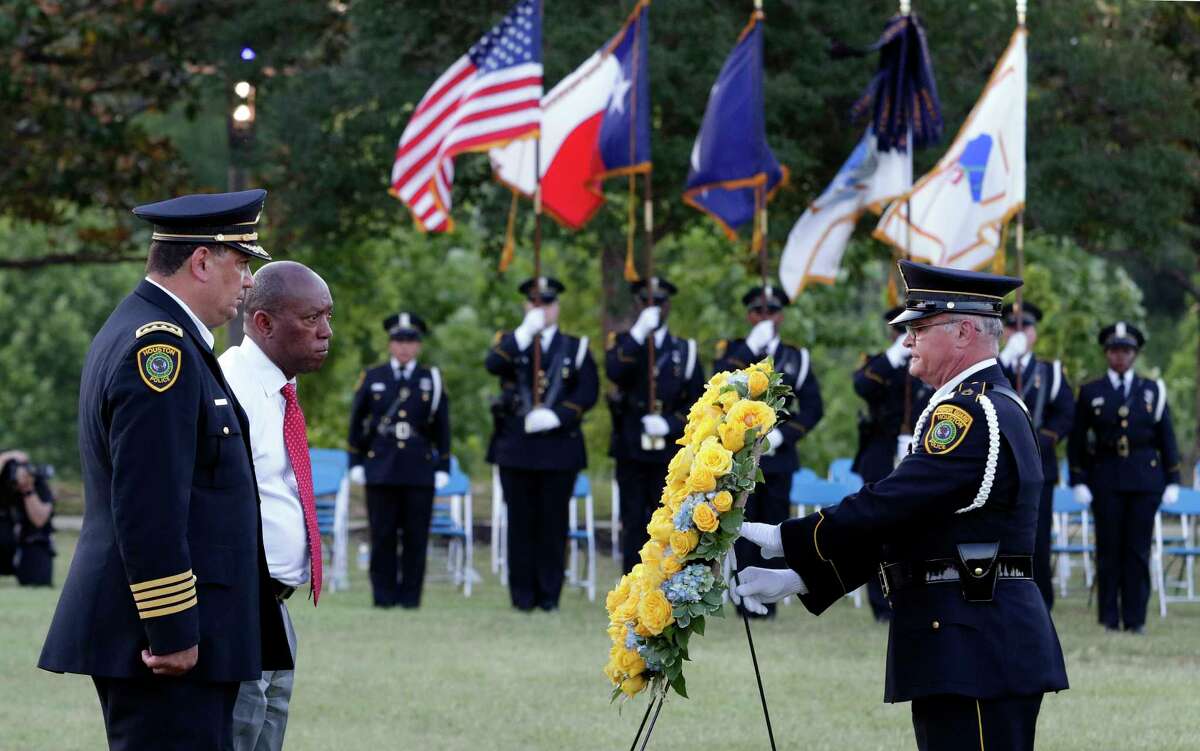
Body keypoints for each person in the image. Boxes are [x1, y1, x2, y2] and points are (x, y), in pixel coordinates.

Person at [735, 261, 1068, 751]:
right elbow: (919, 525)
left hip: (973, 640)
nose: (907, 340)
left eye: (918, 327)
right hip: (969, 637)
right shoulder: (987, 403)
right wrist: (806, 575)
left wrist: (792, 538)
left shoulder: (971, 411)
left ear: (964, 333)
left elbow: (895, 502)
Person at [38, 190, 291, 751]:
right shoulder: (160, 351)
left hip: (185, 637)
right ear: (201, 261)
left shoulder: (159, 334)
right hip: (166, 648)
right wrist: (173, 628)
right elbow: (149, 506)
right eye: (241, 262)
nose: (249, 281)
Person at [218, 261, 333, 750]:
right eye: (311, 319)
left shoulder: (280, 387)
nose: (326, 332)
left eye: (328, 316)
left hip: (273, 607)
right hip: (235, 605)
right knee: (236, 734)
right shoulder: (230, 387)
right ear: (263, 322)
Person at [485, 276, 598, 611]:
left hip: (558, 450)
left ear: (557, 307)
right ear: (527, 306)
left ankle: (549, 597)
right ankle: (521, 598)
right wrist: (524, 331)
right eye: (535, 303)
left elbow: (587, 391)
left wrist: (559, 416)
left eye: (547, 303)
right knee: (519, 524)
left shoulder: (574, 347)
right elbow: (493, 365)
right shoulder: (511, 342)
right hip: (516, 449)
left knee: (552, 525)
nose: (542, 309)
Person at [715, 284, 823, 617]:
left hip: (778, 459)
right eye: (759, 311)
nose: (767, 317)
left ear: (781, 316)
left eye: (773, 311)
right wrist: (750, 347)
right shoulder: (734, 351)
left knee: (775, 527)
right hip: (739, 459)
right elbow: (717, 391)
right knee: (740, 526)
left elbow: (813, 408)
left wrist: (783, 436)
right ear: (750, 316)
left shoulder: (795, 356)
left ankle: (768, 600)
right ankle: (740, 597)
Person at [1067, 321, 1179, 634]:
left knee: (1137, 551)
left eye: (1126, 350)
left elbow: (1166, 436)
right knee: (1108, 550)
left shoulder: (1152, 390)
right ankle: (1109, 619)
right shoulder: (1091, 391)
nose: (1120, 356)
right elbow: (1078, 439)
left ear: (1135, 354)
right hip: (1106, 478)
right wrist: (1077, 479)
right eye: (1115, 350)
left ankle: (1135, 619)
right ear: (1106, 353)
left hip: (1145, 480)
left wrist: (1172, 480)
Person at [348, 311, 451, 609]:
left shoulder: (430, 379)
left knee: (416, 538)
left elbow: (443, 425)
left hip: (419, 468)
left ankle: (410, 599)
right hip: (381, 466)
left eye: (410, 341)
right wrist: (355, 461)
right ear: (390, 344)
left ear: (418, 345)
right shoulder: (373, 376)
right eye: (398, 340)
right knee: (382, 536)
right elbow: (357, 421)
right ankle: (383, 597)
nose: (404, 347)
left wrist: (442, 464)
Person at [606, 276, 704, 574]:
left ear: (668, 306)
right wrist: (638, 333)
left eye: (659, 302)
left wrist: (670, 423)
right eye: (646, 301)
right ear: (637, 305)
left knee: (672, 521)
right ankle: (634, 588)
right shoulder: (625, 344)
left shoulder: (684, 350)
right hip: (632, 448)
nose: (654, 307)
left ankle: (668, 585)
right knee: (633, 521)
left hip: (670, 453)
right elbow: (614, 371)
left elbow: (699, 402)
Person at [851, 307, 933, 621]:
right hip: (882, 452)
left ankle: (917, 595)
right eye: (900, 330)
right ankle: (881, 604)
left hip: (920, 448)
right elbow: (861, 387)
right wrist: (889, 358)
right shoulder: (881, 363)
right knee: (877, 529)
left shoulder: (927, 361)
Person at [998, 302, 1074, 610]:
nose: (1018, 333)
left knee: (1037, 537)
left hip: (1039, 464)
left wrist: (1039, 439)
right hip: (1000, 465)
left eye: (1024, 327)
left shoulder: (1050, 372)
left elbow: (1067, 413)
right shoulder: (994, 365)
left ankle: (1040, 599)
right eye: (1012, 327)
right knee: (999, 535)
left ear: (1034, 334)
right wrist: (1002, 360)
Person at [0, 450, 56, 586]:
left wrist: (27, 489)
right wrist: (7, 458)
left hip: (27, 540)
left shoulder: (35, 482)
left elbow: (40, 520)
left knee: (39, 581)